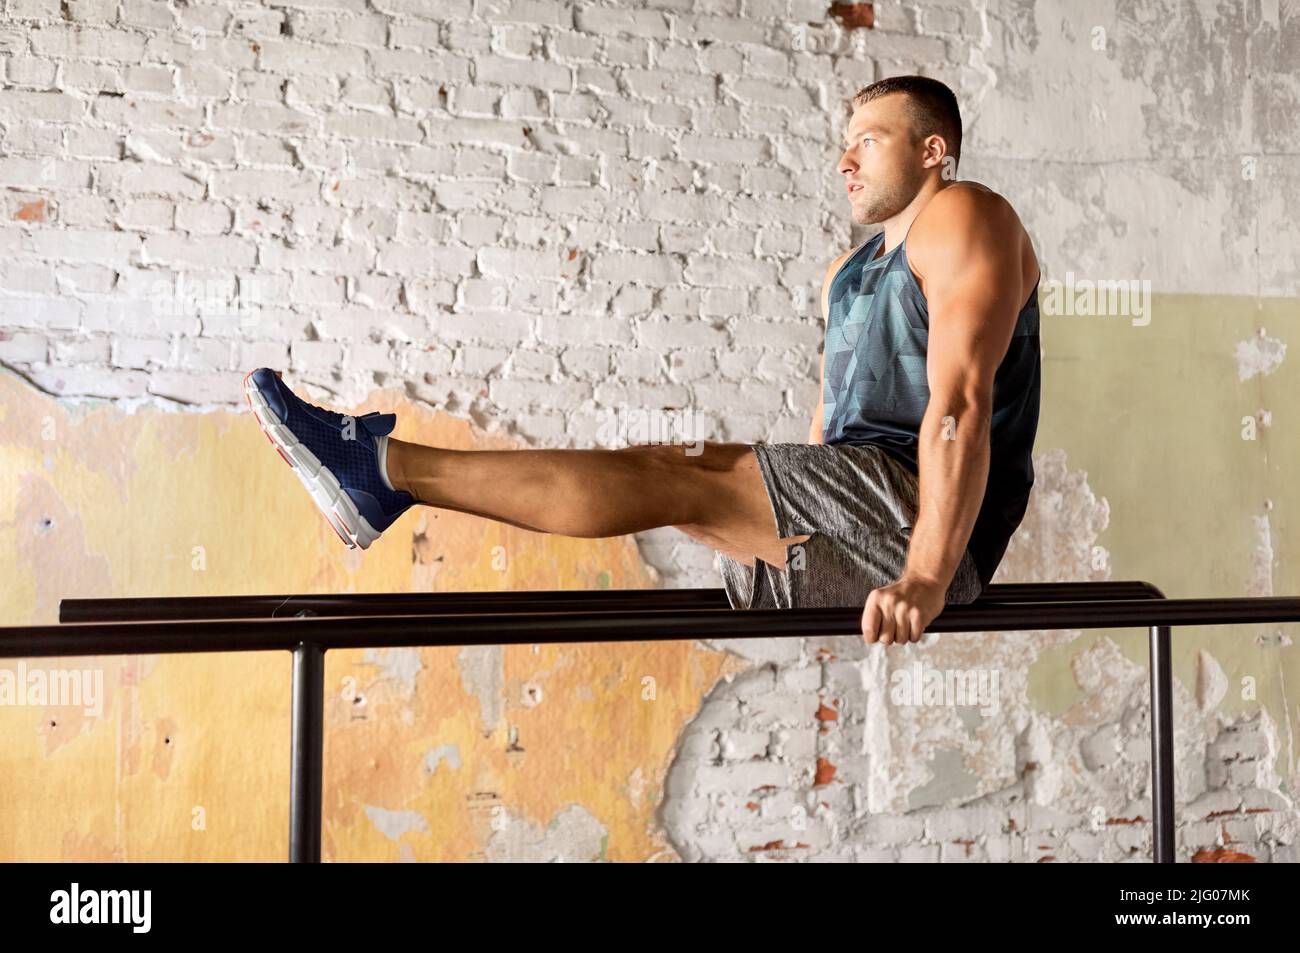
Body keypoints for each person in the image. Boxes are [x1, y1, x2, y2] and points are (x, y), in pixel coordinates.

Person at [244, 75, 1040, 647]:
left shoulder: (965, 216)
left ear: (934, 149)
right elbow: (828, 430)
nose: (845, 162)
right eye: (843, 146)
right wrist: (791, 522)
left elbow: (960, 406)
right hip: (865, 499)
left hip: (936, 520)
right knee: (667, 471)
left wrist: (929, 577)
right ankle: (386, 477)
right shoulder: (848, 271)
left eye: (868, 140)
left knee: (671, 474)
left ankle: (389, 471)